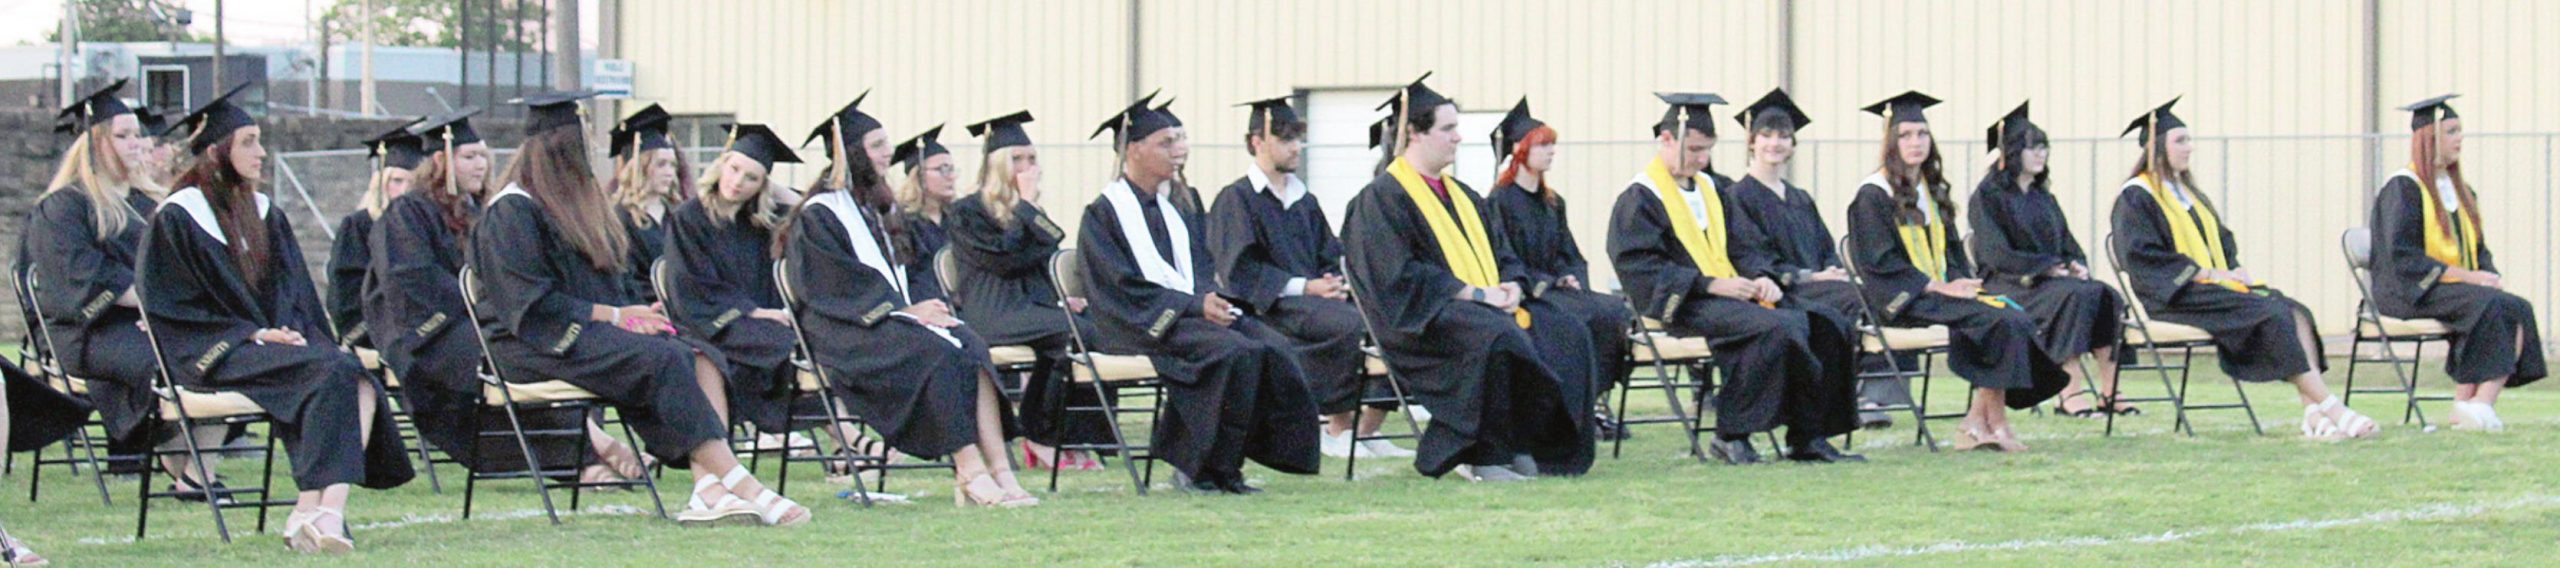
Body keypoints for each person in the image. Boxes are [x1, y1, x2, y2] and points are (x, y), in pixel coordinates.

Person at [470, 91, 808, 526]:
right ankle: (740, 482)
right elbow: (529, 303)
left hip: (578, 331)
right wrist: (615, 318)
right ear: (559, 151)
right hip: (527, 342)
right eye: (583, 144)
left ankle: (707, 491)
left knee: (700, 352)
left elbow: (603, 283)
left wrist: (634, 315)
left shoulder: (567, 206)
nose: (590, 154)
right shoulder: (513, 210)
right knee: (663, 358)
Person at [142, 85, 415, 553]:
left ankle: (320, 513)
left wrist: (288, 332)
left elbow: (294, 296)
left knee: (352, 373)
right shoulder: (178, 217)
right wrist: (251, 334)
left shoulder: (264, 213)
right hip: (211, 355)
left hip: (267, 352)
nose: (261, 152)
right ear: (215, 151)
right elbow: (172, 309)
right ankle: (315, 515)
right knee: (337, 372)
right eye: (248, 141)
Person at [1339, 74, 1594, 481]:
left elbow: (1504, 253)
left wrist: (1513, 285)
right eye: (1448, 128)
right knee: (1493, 334)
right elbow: (1398, 277)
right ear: (1413, 134)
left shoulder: (1464, 196)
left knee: (1566, 329)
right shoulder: (1381, 199)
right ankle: (1485, 456)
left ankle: (1532, 444)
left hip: (1474, 309)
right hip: (1418, 322)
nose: (1458, 137)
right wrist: (1475, 294)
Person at [786, 108, 1035, 507]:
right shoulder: (820, 214)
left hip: (884, 321)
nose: (887, 153)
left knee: (969, 342)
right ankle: (969, 471)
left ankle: (1000, 470)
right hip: (843, 330)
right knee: (937, 352)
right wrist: (898, 311)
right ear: (851, 152)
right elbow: (830, 286)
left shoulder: (875, 208)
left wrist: (911, 309)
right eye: (877, 146)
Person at [1078, 93, 1321, 493]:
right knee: (1231, 351)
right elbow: (1119, 289)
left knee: (1269, 344)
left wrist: (1211, 301)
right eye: (1167, 142)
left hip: (1184, 316)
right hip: (1137, 323)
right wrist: (1194, 306)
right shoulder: (1104, 214)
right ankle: (1196, 466)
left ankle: (1233, 463)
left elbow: (1202, 268)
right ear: (1134, 150)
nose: (1179, 151)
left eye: (1180, 140)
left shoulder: (1181, 204)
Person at [1607, 92, 1863, 465]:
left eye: (1707, 149)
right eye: (1693, 149)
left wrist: (1762, 276)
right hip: (1683, 303)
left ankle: (1809, 435)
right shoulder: (1641, 197)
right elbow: (1639, 266)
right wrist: (1709, 284)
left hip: (1730, 296)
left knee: (1825, 322)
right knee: (1773, 327)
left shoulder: (1713, 189)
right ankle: (1731, 434)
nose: (1701, 159)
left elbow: (1743, 247)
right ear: (1666, 140)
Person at [2111, 97, 2378, 441]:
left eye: (2188, 140)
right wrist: (2208, 275)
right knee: (2270, 314)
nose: (2189, 148)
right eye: (2180, 140)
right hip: (2173, 296)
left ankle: (2312, 413)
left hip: (2210, 291)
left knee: (2294, 311)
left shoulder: (2187, 193)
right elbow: (2143, 258)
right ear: (2156, 146)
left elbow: (2222, 244)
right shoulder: (2136, 197)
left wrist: (2233, 270)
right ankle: (2332, 407)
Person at [368, 109, 601, 482]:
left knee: (531, 349)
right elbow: (412, 281)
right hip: (428, 334)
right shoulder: (408, 212)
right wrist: (481, 308)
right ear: (441, 160)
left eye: (483, 156)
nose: (481, 165)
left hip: (482, 324)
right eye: (469, 157)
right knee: (499, 361)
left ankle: (587, 449)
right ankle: (587, 452)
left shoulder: (486, 211)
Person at [1843, 92, 2068, 451]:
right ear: (1890, 142)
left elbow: (1951, 254)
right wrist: (1935, 287)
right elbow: (1878, 264)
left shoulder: (1929, 192)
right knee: (1996, 321)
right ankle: (1994, 423)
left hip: (1939, 296)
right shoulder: (1873, 194)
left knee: (2011, 311)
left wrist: (1963, 282)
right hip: (1901, 302)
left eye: (1922, 134)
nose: (1915, 143)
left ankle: (1977, 422)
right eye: (1905, 135)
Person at [20, 79, 212, 485]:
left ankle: (196, 474)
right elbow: (82, 281)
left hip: (148, 321)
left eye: (137, 135)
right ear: (93, 145)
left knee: (220, 349)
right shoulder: (64, 208)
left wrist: (174, 312)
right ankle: (182, 465)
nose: (136, 144)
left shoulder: (150, 204)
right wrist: (155, 308)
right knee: (170, 357)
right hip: (87, 330)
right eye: (122, 135)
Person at [1206, 96, 1411, 459]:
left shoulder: (1304, 200)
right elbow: (1240, 271)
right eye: (1286, 139)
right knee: (1346, 324)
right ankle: (1338, 426)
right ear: (1258, 142)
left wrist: (1335, 282)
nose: (1296, 148)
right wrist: (1306, 287)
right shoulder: (1236, 200)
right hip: (1269, 306)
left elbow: (1328, 253)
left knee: (1383, 315)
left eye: (1298, 139)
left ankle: (1368, 429)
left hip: (1314, 302)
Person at [1722, 88, 1909, 428]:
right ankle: (1861, 393)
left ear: (1793, 145)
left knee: (1875, 292)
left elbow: (1825, 248)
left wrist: (1832, 270)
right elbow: (1749, 256)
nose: (1774, 144)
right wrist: (1808, 277)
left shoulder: (1800, 198)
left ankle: (1871, 390)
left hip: (1823, 287)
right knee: (1860, 300)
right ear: (1751, 141)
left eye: (1783, 136)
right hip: (1781, 292)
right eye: (1766, 135)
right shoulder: (1738, 196)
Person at [944, 111, 1110, 471]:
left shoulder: (1031, 211)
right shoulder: (965, 212)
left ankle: (1067, 437)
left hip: (1030, 308)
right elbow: (1003, 261)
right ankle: (1040, 437)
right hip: (992, 313)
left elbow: (1044, 259)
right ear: (996, 164)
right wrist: (1026, 209)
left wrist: (1061, 297)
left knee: (1091, 330)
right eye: (1016, 159)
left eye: (1031, 158)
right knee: (1075, 335)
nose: (1026, 166)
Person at [2367, 94, 2544, 429]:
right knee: (2488, 304)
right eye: (2451, 131)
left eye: (2459, 130)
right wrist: (2467, 278)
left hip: (2454, 289)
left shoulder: (2461, 191)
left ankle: (2478, 404)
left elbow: (2479, 250)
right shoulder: (2404, 188)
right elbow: (2401, 256)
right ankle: (2470, 404)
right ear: (2428, 138)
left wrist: (2488, 274)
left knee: (2514, 306)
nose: (2459, 138)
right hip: (2408, 289)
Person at [1483, 97, 1638, 442]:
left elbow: (1570, 252)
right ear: (1521, 150)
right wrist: (1544, 282)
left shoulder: (1553, 203)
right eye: (1543, 145)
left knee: (1614, 312)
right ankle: (1568, 408)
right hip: (1529, 292)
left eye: (1553, 144)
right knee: (1576, 321)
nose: (1552, 151)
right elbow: (1502, 257)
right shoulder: (1498, 202)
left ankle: (1595, 403)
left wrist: (1572, 277)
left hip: (1558, 289)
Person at [1967, 102, 2132, 418]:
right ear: (2013, 151)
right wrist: (2043, 269)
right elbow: (1994, 253)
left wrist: (2075, 263)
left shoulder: (2044, 198)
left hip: (2051, 283)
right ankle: (2069, 392)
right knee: (2073, 297)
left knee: (2104, 295)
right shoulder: (1988, 196)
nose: (2041, 154)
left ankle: (2111, 391)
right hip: (2009, 284)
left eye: (2044, 148)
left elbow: (2068, 243)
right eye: (2033, 148)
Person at [663, 124, 810, 455]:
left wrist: (785, 195)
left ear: (763, 185)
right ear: (721, 165)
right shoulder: (689, 217)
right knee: (787, 344)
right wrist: (754, 312)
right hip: (708, 321)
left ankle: (826, 435)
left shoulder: (760, 221)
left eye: (752, 178)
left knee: (803, 339)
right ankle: (786, 429)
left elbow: (808, 218)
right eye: (734, 169)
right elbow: (690, 286)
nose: (738, 182)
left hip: (756, 322)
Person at [326, 122, 426, 352]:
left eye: (412, 183)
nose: (403, 191)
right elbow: (344, 293)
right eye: (397, 181)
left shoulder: (425, 226)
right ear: (381, 183)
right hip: (374, 328)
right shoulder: (360, 225)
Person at [610, 104, 689, 303]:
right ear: (640, 167)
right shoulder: (621, 217)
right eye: (661, 164)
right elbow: (626, 278)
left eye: (673, 165)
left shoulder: (678, 215)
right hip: (646, 310)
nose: (670, 172)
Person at [891, 124, 959, 270]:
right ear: (918, 175)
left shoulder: (959, 217)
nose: (951, 177)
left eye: (952, 169)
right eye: (943, 169)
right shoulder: (901, 221)